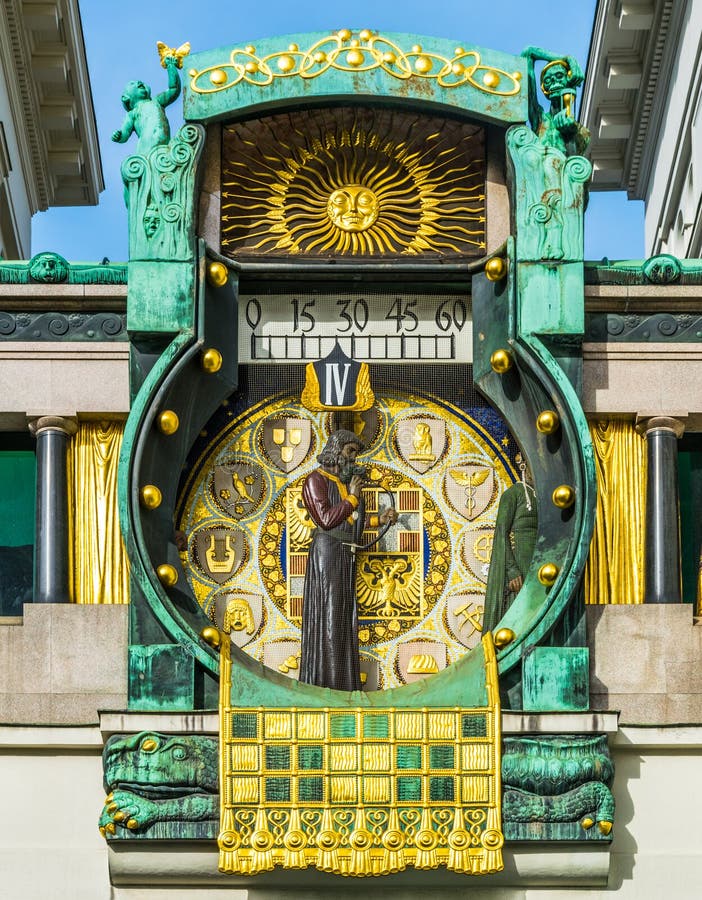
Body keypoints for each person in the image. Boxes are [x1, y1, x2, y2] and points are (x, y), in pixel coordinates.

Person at [299, 430, 397, 690]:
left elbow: (352, 521)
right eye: (350, 451)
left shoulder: (344, 482)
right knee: (330, 616)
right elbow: (327, 519)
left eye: (356, 453)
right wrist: (353, 497)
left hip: (344, 552)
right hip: (328, 552)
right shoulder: (315, 480)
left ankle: (342, 681)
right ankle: (327, 681)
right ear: (336, 449)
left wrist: (380, 520)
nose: (353, 458)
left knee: (343, 618)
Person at [482, 456, 538, 635]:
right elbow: (501, 533)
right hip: (519, 570)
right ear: (524, 467)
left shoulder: (542, 497)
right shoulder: (514, 494)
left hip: (536, 569)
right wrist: (512, 570)